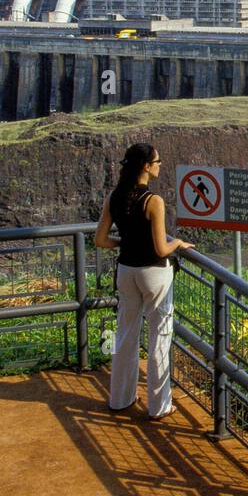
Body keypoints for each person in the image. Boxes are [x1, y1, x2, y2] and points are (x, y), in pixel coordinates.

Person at [93, 143, 192, 419]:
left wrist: (124, 242)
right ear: (146, 166)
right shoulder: (153, 201)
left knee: (125, 335)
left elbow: (100, 240)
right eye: (157, 161)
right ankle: (159, 406)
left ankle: (120, 399)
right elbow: (161, 248)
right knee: (159, 337)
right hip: (154, 273)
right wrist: (179, 244)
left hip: (126, 270)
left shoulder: (114, 196)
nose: (161, 164)